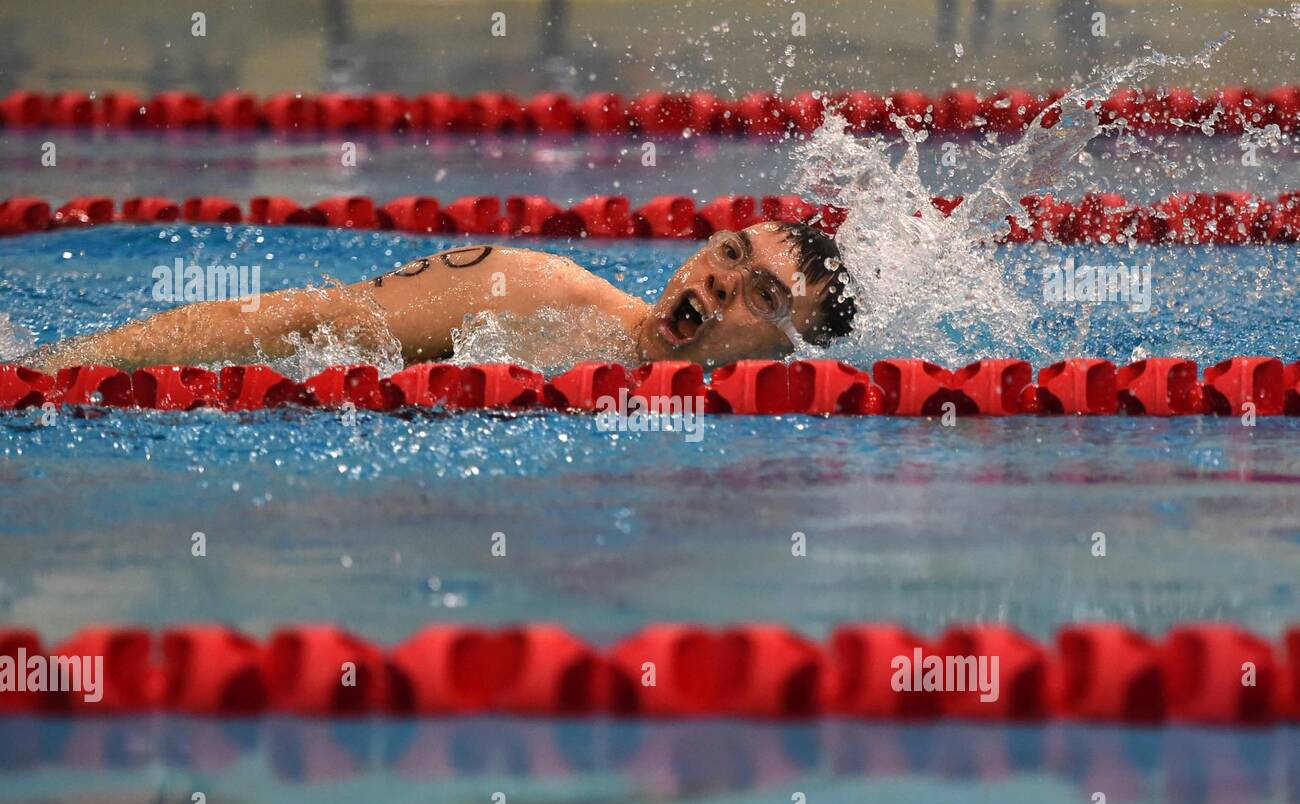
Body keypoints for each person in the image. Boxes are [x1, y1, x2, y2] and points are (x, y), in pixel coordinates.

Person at [22, 220, 856, 373]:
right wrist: (51, 369)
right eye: (730, 251)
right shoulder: (535, 290)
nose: (719, 278)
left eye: (761, 293)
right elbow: (303, 316)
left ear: (794, 350)